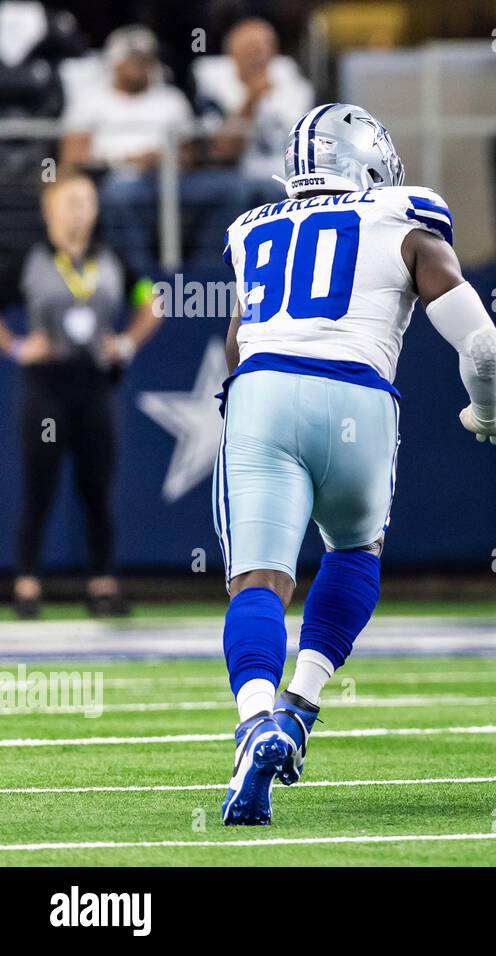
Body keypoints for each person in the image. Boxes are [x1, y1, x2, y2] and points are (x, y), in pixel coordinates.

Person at [216, 103, 496, 825]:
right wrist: (486, 411)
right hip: (357, 398)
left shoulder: (253, 229)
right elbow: (482, 348)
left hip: (261, 388)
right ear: (370, 164)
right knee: (355, 550)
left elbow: (237, 342)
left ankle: (256, 717)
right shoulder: (404, 218)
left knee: (260, 580)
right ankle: (300, 707)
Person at [0, 173, 161, 618]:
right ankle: (27, 583)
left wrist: (126, 343)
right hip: (46, 386)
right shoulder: (30, 262)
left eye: (88, 201)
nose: (81, 210)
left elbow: (152, 297)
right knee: (39, 486)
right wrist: (15, 346)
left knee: (98, 487)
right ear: (50, 210)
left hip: (95, 385)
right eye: (71, 201)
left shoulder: (111, 261)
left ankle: (103, 583)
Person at [59, 24, 245, 273]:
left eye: (147, 59)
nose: (142, 65)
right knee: (120, 193)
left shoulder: (171, 99)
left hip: (173, 179)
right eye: (133, 58)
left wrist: (165, 157)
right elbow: (73, 158)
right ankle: (144, 280)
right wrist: (127, 160)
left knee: (230, 188)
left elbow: (193, 153)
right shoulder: (91, 100)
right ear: (115, 61)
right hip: (119, 179)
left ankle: (209, 272)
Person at [196, 17, 314, 208]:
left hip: (286, 174)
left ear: (274, 52)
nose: (257, 57)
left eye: (262, 49)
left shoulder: (297, 88)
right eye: (250, 50)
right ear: (232, 54)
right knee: (231, 191)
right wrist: (252, 100)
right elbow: (222, 151)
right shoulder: (214, 88)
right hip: (236, 176)